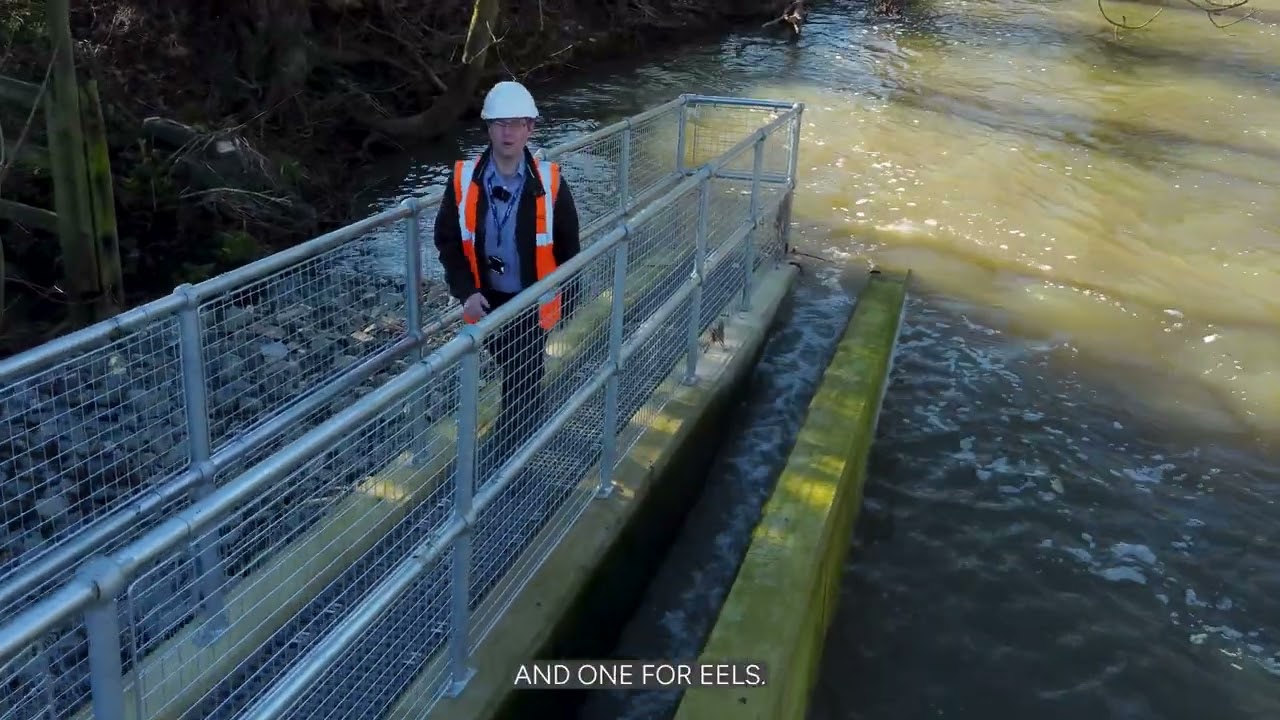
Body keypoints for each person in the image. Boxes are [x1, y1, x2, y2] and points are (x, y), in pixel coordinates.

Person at [433, 80, 581, 460]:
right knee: (514, 369)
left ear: (530, 128)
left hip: (532, 299)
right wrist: (465, 293)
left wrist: (570, 299)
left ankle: (512, 454)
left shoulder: (550, 182)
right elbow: (448, 241)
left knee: (524, 376)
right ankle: (517, 449)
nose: (508, 132)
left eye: (517, 123)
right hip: (486, 300)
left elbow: (569, 247)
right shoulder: (463, 180)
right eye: (500, 123)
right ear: (488, 127)